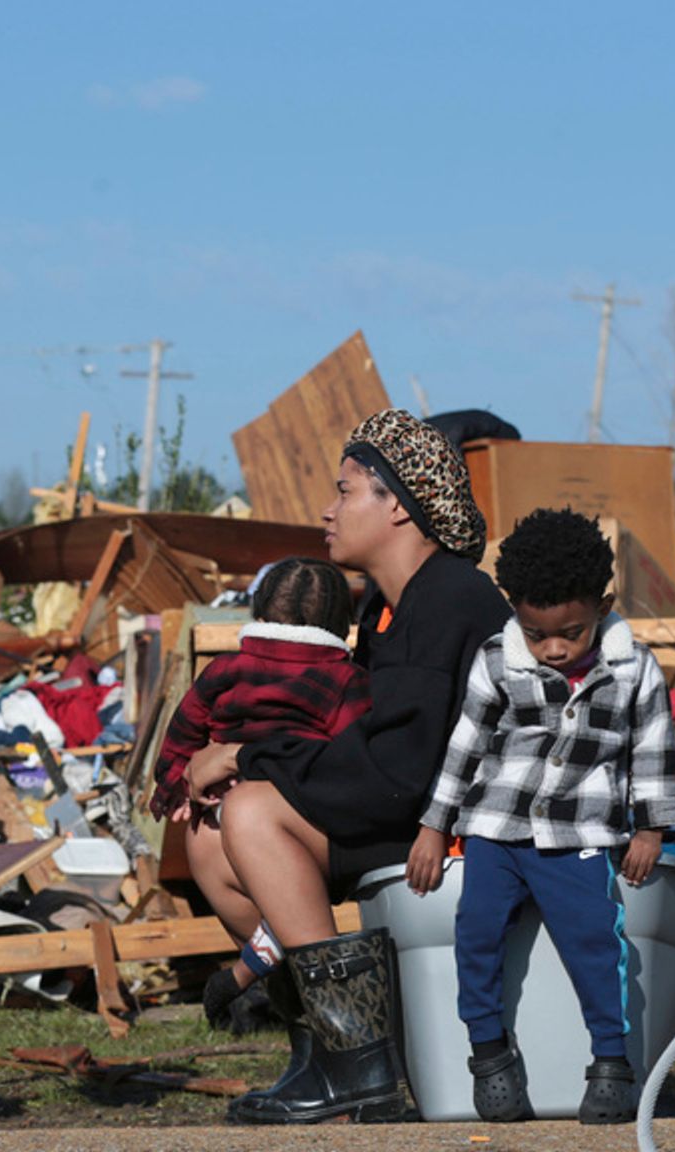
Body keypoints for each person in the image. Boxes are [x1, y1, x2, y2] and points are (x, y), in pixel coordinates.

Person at [183, 408, 512, 1125]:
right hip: (412, 811)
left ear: (396, 503)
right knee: (210, 835)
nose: (327, 511)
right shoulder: (390, 607)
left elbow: (396, 771)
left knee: (249, 810)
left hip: (459, 831)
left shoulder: (449, 599)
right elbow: (373, 757)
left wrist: (246, 754)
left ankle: (358, 1065)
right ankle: (320, 1047)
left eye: (344, 490)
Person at [404, 507, 675, 1125]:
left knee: (595, 943)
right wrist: (433, 825)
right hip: (494, 829)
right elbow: (465, 745)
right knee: (475, 936)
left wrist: (651, 826)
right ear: (516, 616)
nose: (554, 649)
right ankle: (488, 1053)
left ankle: (611, 1062)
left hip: (579, 832)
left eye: (572, 632)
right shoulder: (498, 660)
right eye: (537, 634)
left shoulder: (633, 670)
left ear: (604, 605)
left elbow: (655, 750)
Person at [143, 558, 370, 1034]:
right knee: (281, 899)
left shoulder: (226, 668)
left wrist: (174, 787)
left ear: (259, 611)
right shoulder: (344, 679)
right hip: (303, 816)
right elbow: (353, 759)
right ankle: (277, 961)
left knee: (206, 847)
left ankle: (271, 966)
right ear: (339, 622)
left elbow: (183, 729)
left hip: (228, 809)